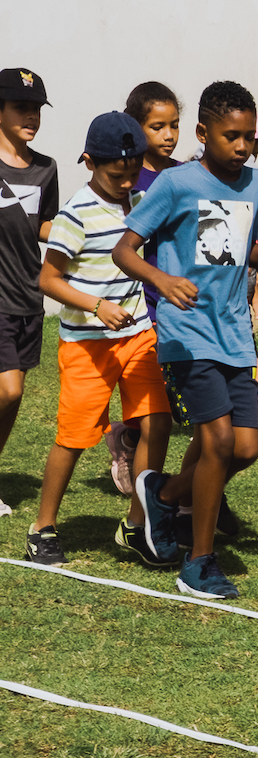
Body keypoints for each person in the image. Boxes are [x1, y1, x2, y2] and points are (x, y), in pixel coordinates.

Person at [113, 81, 258, 600]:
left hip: (234, 330)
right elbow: (127, 250)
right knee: (214, 442)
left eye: (249, 137)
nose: (241, 146)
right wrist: (163, 281)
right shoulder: (175, 184)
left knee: (246, 441)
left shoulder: (256, 184)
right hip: (186, 332)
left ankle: (162, 496)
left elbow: (246, 249)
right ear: (203, 133)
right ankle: (200, 562)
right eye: (230, 135)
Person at [30, 113, 171, 567]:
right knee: (73, 438)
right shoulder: (75, 214)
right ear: (90, 162)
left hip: (139, 337)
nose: (126, 179)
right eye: (117, 173)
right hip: (87, 346)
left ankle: (135, 523)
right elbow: (48, 280)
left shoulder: (142, 201)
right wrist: (96, 305)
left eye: (133, 170)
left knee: (157, 420)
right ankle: (43, 528)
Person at [102, 82, 182, 497]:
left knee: (172, 394)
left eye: (174, 125)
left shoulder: (186, 174)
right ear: (137, 127)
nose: (168, 135)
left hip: (179, 300)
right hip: (139, 300)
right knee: (153, 396)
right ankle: (130, 441)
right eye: (157, 127)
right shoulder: (128, 178)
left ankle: (129, 438)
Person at [0, 68, 59, 518]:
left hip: (29, 295)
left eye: (37, 108)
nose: (32, 116)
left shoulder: (45, 169)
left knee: (12, 396)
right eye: (22, 107)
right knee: (10, 391)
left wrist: (87, 233)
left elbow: (42, 225)